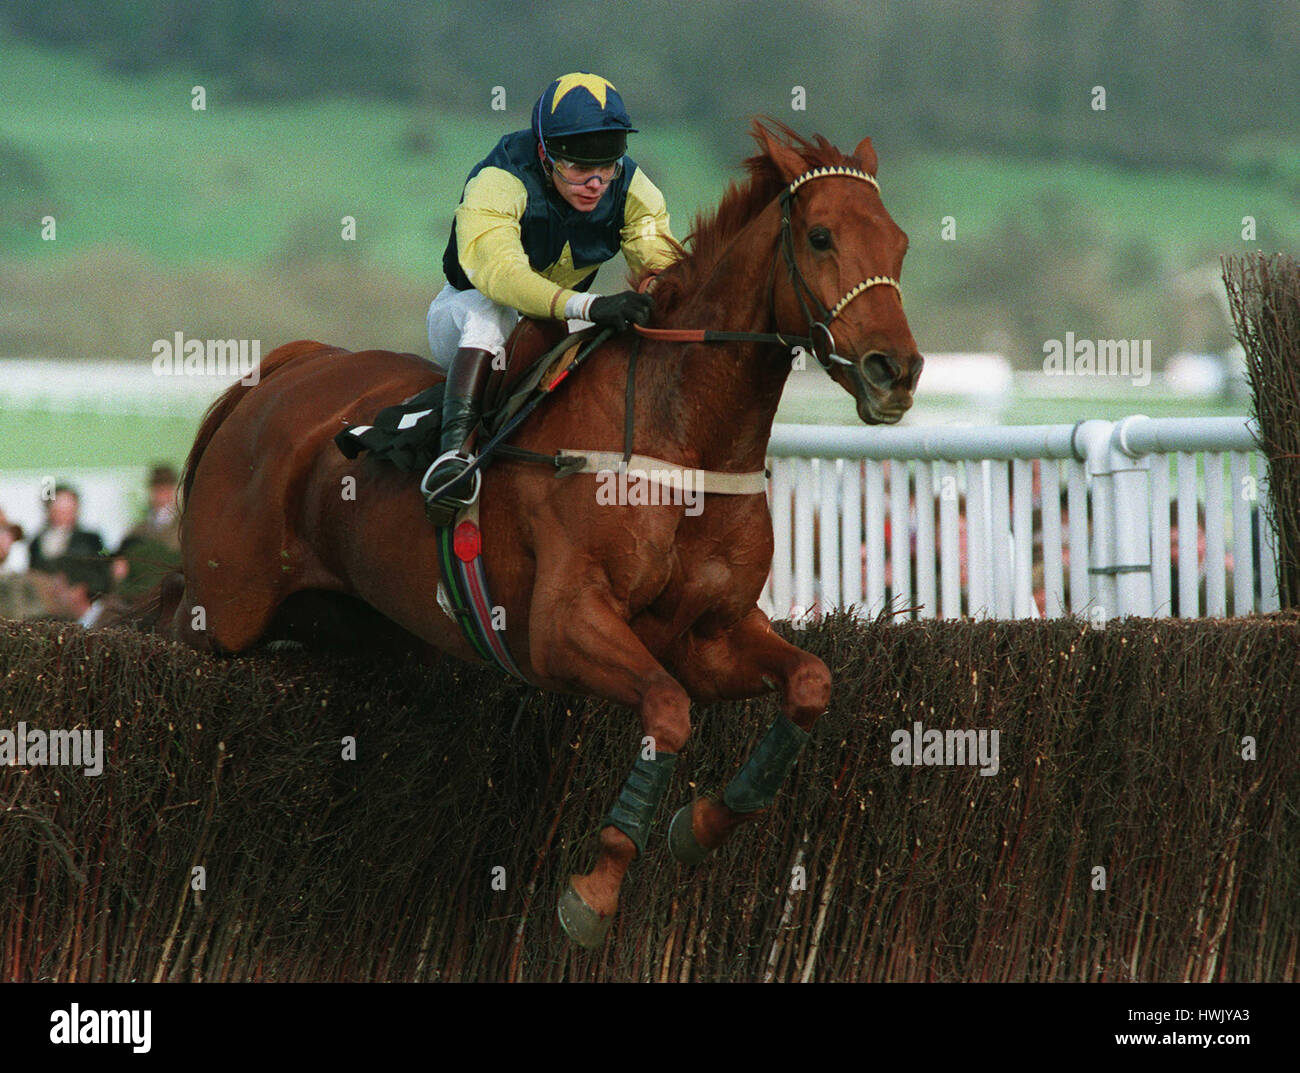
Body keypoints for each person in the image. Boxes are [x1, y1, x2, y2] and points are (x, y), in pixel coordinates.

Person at [423, 71, 680, 514]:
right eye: (579, 166)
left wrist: (658, 284)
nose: (596, 183)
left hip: (559, 324)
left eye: (607, 166)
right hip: (466, 317)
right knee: (493, 311)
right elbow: (501, 274)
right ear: (544, 154)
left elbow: (658, 256)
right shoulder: (498, 179)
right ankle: (454, 459)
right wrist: (591, 305)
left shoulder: (634, 187)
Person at [27, 484, 105, 574]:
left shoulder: (90, 540)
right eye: (60, 508)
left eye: (69, 508)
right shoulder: (37, 541)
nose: (64, 512)